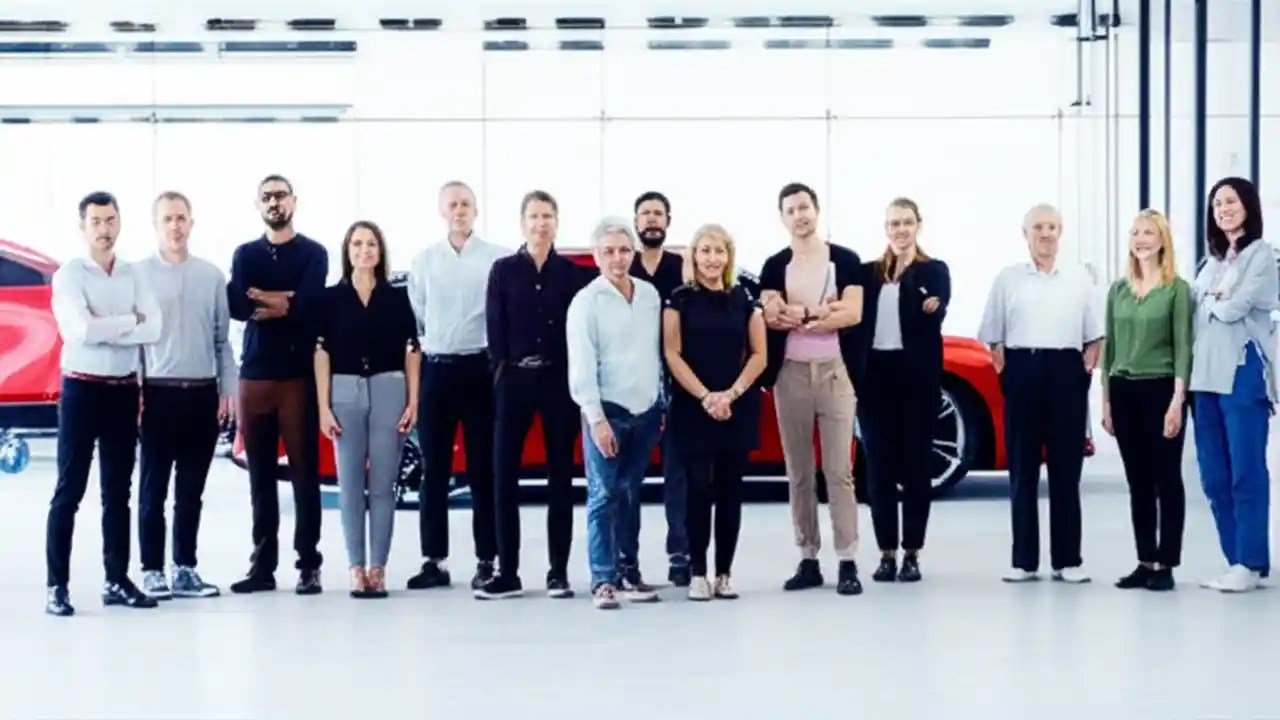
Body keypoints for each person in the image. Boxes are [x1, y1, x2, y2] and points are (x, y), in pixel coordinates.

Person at [45, 191, 163, 616]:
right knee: (70, 490)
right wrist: (130, 321)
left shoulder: (134, 274)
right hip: (82, 390)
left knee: (118, 493)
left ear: (119, 223)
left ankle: (116, 580)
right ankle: (57, 587)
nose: (104, 228)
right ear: (83, 226)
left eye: (110, 220)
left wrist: (107, 327)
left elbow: (155, 328)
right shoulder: (69, 275)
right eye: (96, 221)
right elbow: (80, 331)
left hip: (123, 390)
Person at [978, 203, 1101, 584]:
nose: (1046, 234)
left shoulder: (1079, 278)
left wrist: (1083, 370)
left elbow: (1095, 335)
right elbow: (992, 335)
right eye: (1038, 227)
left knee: (1067, 469)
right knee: (1022, 468)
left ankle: (1068, 560)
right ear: (1025, 234)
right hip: (1022, 370)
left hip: (1067, 372)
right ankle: (1024, 561)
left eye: (1052, 227)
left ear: (1060, 232)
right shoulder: (1008, 279)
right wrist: (1008, 371)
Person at [477, 190, 589, 600]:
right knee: (504, 475)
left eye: (547, 216)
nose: (541, 224)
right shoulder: (503, 270)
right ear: (522, 223)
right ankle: (507, 571)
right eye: (534, 216)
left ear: (556, 223)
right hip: (515, 379)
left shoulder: (573, 274)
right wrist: (501, 373)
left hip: (558, 381)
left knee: (561, 475)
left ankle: (558, 572)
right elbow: (495, 327)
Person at [758, 182, 865, 596]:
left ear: (816, 211)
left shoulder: (845, 260)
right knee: (799, 472)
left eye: (804, 207)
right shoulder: (774, 265)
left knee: (839, 471)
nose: (799, 215)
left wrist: (801, 313)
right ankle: (808, 558)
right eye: (790, 210)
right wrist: (821, 312)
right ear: (782, 218)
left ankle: (848, 560)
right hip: (791, 375)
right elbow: (773, 316)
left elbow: (852, 313)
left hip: (836, 374)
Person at [226, 174, 328, 595]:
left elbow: (310, 306)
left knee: (304, 474)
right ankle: (262, 567)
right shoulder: (245, 254)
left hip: (297, 377)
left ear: (294, 201)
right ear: (258, 204)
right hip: (255, 376)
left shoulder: (314, 253)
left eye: (280, 195)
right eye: (266, 196)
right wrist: (284, 300)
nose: (274, 202)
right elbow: (238, 305)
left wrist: (267, 299)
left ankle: (308, 564)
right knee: (260, 477)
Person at [406, 180, 509, 591]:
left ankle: (487, 559)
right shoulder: (424, 261)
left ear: (476, 210)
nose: (459, 210)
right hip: (438, 369)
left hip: (480, 369)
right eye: (452, 204)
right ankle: (434, 560)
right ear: (441, 210)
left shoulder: (497, 259)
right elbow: (419, 316)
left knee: (483, 468)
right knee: (434, 470)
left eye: (466, 204)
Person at [135, 191, 235, 600]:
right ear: (156, 225)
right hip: (156, 394)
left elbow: (222, 340)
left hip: (201, 394)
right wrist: (136, 390)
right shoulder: (138, 275)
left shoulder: (211, 276)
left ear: (191, 223)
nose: (175, 226)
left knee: (191, 490)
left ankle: (185, 569)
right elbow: (134, 342)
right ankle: (151, 570)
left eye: (181, 218)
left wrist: (228, 390)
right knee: (153, 489)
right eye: (167, 219)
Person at [314, 221, 420, 599]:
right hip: (345, 391)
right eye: (357, 243)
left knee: (383, 486)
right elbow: (321, 353)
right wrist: (323, 407)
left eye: (371, 243)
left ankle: (379, 567)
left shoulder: (397, 297)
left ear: (380, 250)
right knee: (349, 485)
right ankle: (355, 567)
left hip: (389, 388)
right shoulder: (331, 299)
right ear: (348, 251)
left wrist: (413, 401)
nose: (364, 250)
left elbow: (412, 350)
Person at [662, 224, 766, 601]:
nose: (712, 258)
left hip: (736, 406)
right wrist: (706, 396)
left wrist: (731, 395)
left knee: (730, 492)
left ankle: (724, 573)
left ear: (728, 256)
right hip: (693, 407)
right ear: (694, 255)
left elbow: (759, 354)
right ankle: (697, 573)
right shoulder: (678, 300)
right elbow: (672, 353)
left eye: (719, 251)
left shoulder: (745, 299)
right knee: (697, 491)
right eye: (705, 250)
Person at [567, 218, 664, 609]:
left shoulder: (649, 295)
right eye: (608, 251)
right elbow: (581, 366)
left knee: (629, 492)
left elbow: (655, 352)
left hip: (646, 411)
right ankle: (603, 580)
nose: (617, 258)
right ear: (596, 256)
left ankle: (628, 572)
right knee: (603, 495)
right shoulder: (586, 302)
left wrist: (659, 402)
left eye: (624, 250)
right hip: (607, 412)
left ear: (633, 253)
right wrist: (596, 419)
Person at [854, 198, 950, 583]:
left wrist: (928, 298)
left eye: (907, 222)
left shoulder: (933, 270)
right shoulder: (868, 273)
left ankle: (912, 552)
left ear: (918, 226)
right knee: (878, 467)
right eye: (894, 223)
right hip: (875, 378)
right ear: (886, 229)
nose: (901, 230)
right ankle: (886, 553)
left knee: (915, 468)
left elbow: (936, 305)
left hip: (917, 380)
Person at [1190, 176, 1277, 593]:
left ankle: (1252, 561)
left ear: (1248, 206)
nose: (1223, 209)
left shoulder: (1263, 256)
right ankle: (1236, 561)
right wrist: (1218, 299)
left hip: (1242, 373)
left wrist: (1216, 302)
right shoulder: (1209, 264)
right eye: (1217, 204)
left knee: (1246, 470)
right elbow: (1199, 314)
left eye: (1231, 201)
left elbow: (1235, 309)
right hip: (1204, 378)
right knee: (1213, 476)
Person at [1100, 209, 1191, 592]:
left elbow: (1183, 347)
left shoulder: (1176, 290)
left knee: (1166, 478)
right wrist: (1106, 402)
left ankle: (1166, 563)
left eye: (1148, 233)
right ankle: (1145, 560)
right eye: (1135, 232)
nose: (1140, 239)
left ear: (1162, 240)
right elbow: (1109, 349)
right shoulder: (1118, 290)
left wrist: (1177, 401)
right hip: (1123, 391)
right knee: (1138, 481)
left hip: (1161, 390)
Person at [631, 191, 692, 587]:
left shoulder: (682, 267)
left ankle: (680, 555)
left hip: (677, 380)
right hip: (632, 380)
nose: (652, 219)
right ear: (636, 221)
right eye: (645, 213)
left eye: (658, 213)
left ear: (668, 221)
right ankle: (626, 561)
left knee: (678, 472)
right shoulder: (624, 263)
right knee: (628, 477)